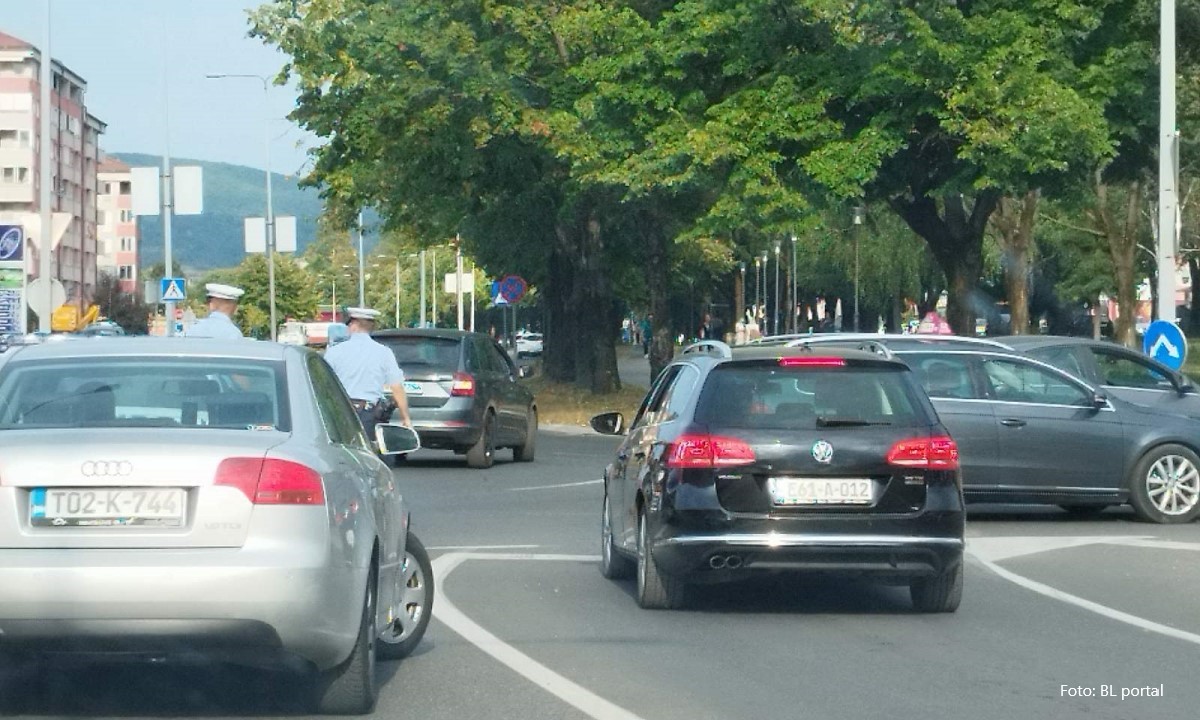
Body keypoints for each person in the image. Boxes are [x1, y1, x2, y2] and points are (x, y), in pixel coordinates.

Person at [323, 307, 412, 443]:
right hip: (368, 414)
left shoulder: (334, 352)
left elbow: (324, 384)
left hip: (340, 413)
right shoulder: (383, 353)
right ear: (371, 327)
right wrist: (405, 418)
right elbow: (397, 387)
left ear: (353, 325)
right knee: (369, 453)